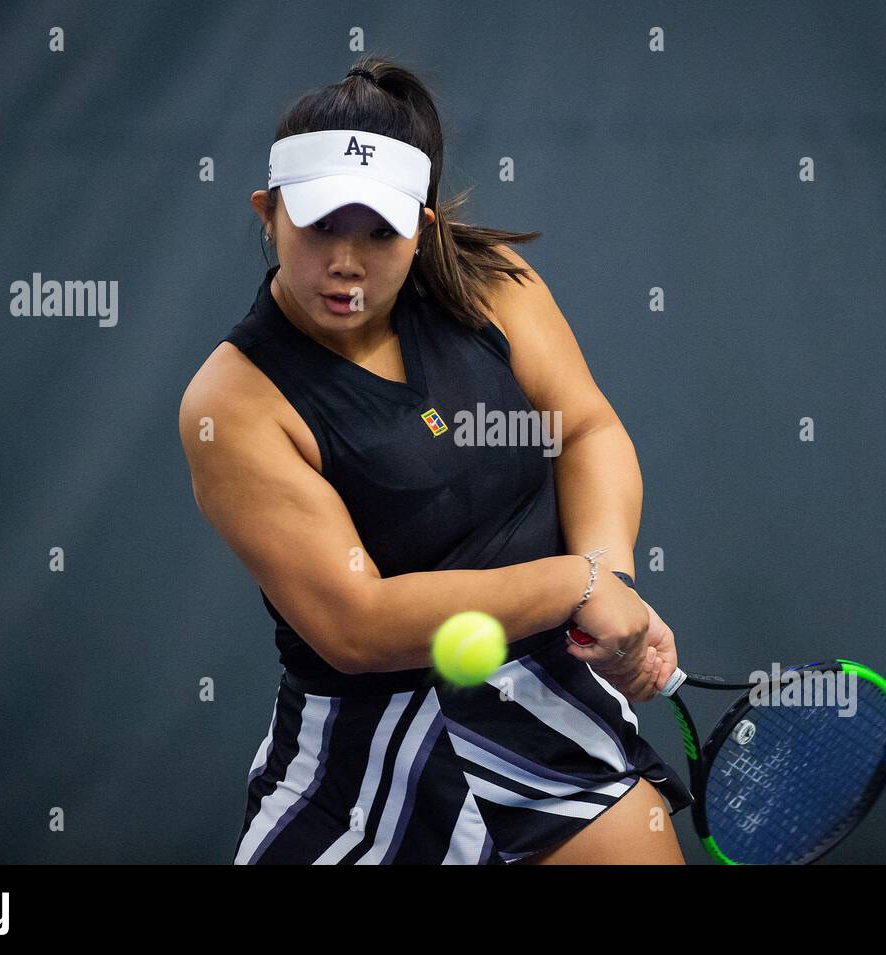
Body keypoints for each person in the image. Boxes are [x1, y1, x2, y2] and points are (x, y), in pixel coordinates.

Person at [179, 57, 691, 864]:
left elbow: (588, 429)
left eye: (380, 231)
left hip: (548, 703)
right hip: (361, 757)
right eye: (320, 226)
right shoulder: (233, 402)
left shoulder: (495, 290)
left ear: (420, 227)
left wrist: (610, 572)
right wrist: (577, 585)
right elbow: (358, 626)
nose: (347, 261)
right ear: (268, 214)